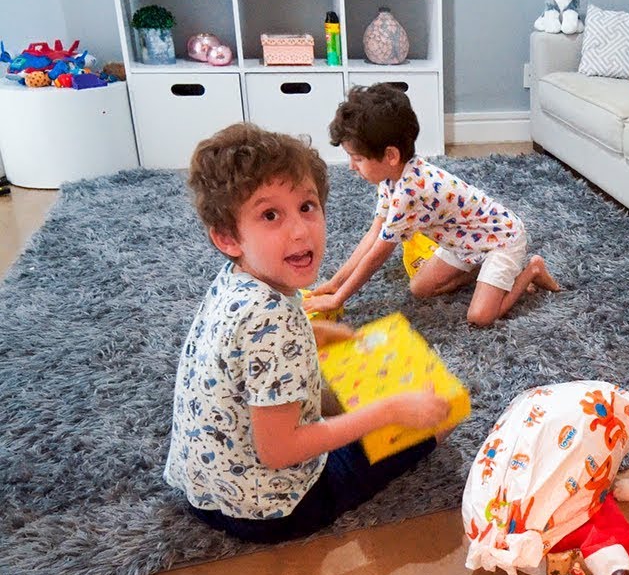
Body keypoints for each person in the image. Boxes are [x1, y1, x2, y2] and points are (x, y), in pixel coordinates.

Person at [163, 122, 450, 544]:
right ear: (227, 237)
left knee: (344, 384)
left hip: (203, 487)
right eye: (270, 215)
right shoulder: (273, 322)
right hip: (272, 510)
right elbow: (280, 451)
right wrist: (392, 411)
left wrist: (318, 333)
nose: (299, 230)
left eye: (307, 207)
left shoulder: (242, 280)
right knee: (436, 418)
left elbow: (247, 352)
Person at [304, 83, 559, 327]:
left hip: (501, 239)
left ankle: (531, 270)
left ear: (390, 155)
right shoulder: (390, 179)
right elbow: (374, 234)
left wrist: (338, 299)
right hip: (464, 243)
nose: (351, 167)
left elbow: (377, 256)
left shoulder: (411, 193)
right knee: (420, 288)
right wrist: (335, 283)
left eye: (357, 159)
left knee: (480, 316)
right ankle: (486, 271)